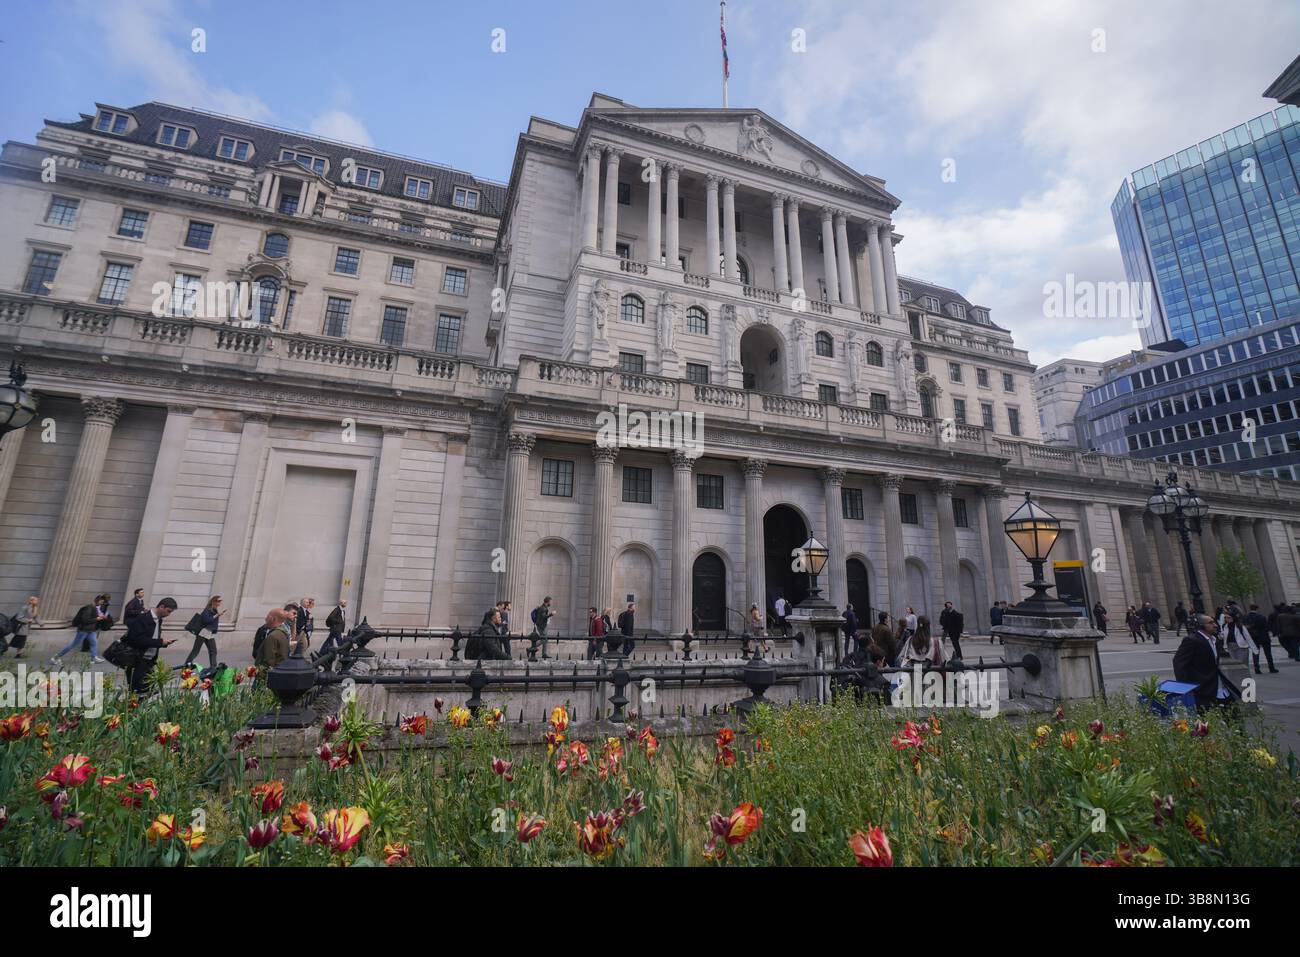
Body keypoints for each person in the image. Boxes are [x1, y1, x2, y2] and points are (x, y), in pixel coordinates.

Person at [1173, 613, 1236, 712]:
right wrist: (1187, 688)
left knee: (1235, 720)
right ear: (1201, 626)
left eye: (1214, 622)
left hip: (1221, 688)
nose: (1215, 625)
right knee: (1206, 724)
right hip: (1204, 691)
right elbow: (1179, 664)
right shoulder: (1192, 640)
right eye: (1210, 623)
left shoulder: (1215, 640)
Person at [124, 598, 179, 694]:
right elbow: (134, 639)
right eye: (168, 611)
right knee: (137, 693)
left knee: (149, 691)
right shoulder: (143, 618)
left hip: (149, 661)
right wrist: (160, 642)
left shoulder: (159, 620)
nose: (168, 614)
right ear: (161, 606)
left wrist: (163, 643)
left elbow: (151, 639)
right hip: (137, 661)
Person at [54, 594, 110, 663]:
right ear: (98, 600)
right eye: (102, 601)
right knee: (73, 644)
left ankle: (94, 658)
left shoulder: (95, 607)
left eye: (103, 602)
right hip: (84, 630)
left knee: (94, 643)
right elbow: (85, 619)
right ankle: (56, 657)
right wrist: (97, 618)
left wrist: (100, 617)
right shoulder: (89, 607)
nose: (102, 603)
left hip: (91, 630)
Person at [182, 595, 224, 669]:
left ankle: (213, 668)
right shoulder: (207, 610)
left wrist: (217, 615)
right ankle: (186, 666)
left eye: (220, 602)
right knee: (196, 650)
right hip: (204, 632)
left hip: (209, 632)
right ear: (213, 602)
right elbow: (206, 620)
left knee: (213, 651)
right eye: (218, 601)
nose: (219, 603)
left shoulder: (214, 610)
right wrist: (216, 616)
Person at [1244, 603, 1277, 674]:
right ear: (1257, 609)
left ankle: (1257, 668)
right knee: (1268, 653)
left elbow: (1245, 628)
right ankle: (1271, 667)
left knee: (1255, 653)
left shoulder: (1246, 617)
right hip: (1264, 637)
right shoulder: (1261, 617)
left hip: (1253, 637)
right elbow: (1267, 627)